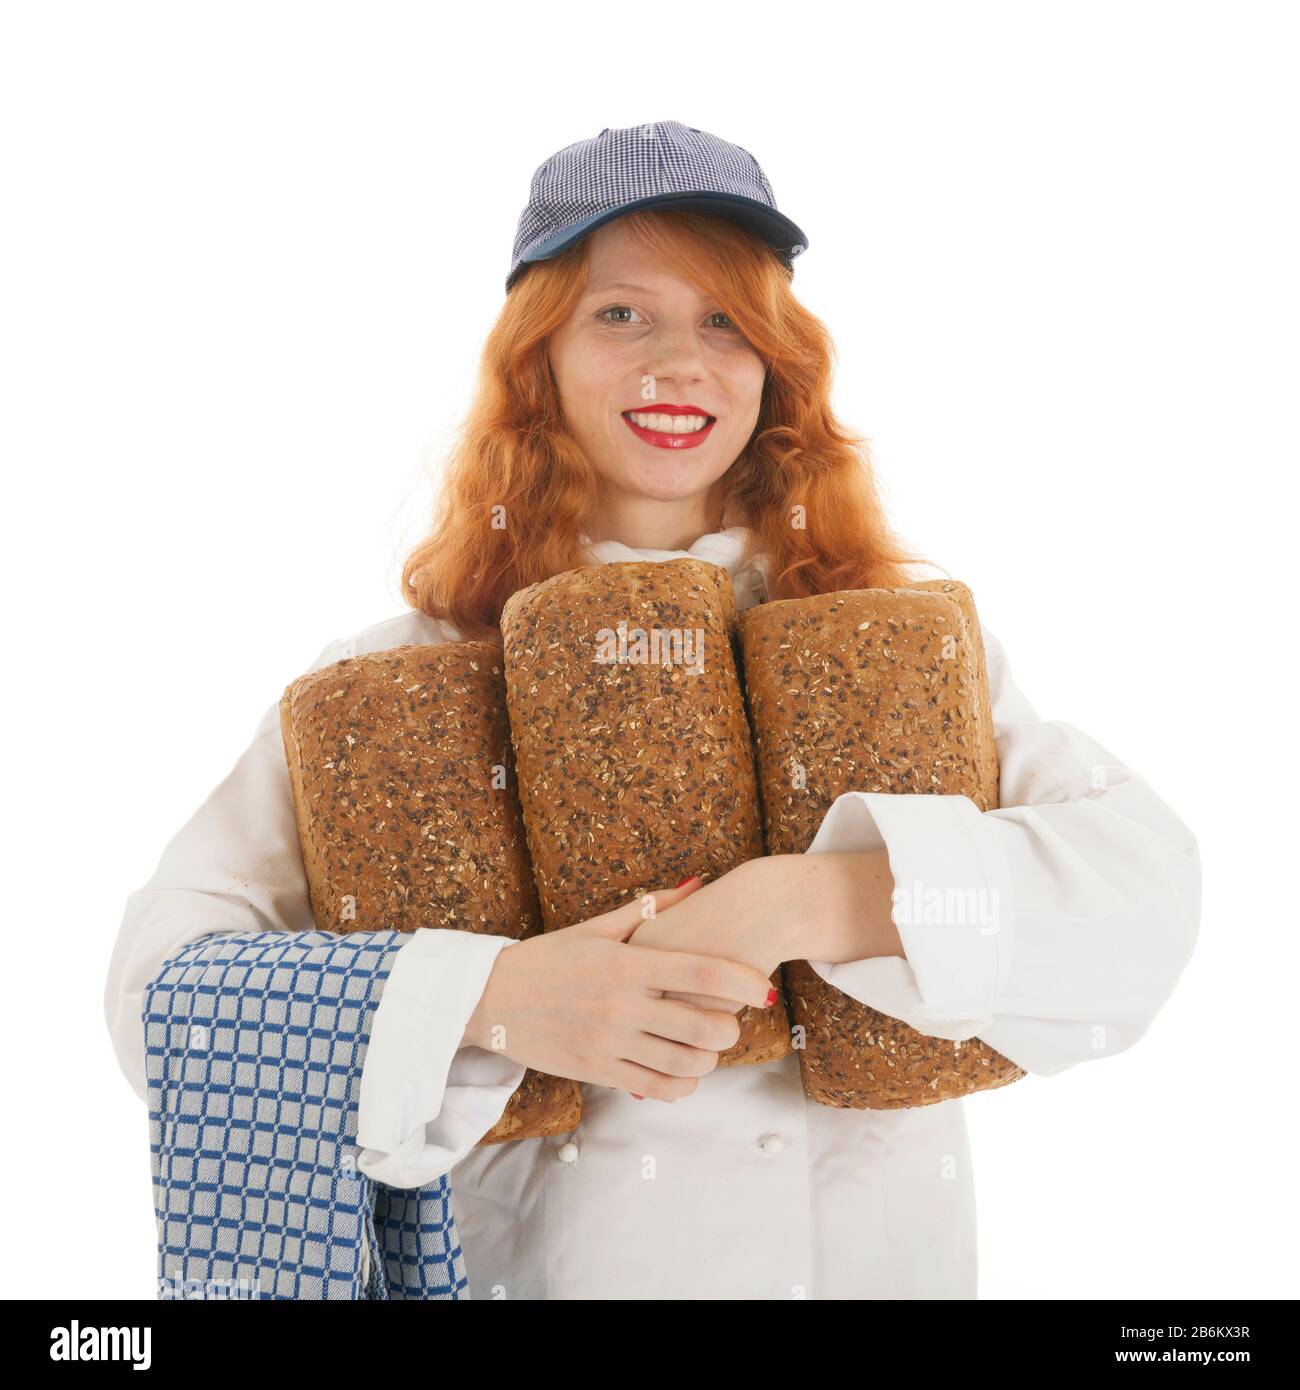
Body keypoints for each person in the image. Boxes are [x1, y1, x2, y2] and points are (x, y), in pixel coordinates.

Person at [107, 120, 1201, 1299]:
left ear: (775, 366)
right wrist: (492, 1000)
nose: (679, 362)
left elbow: (1140, 895)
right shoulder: (392, 683)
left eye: (726, 320)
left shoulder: (902, 645)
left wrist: (807, 898)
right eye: (620, 313)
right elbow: (161, 997)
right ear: (541, 362)